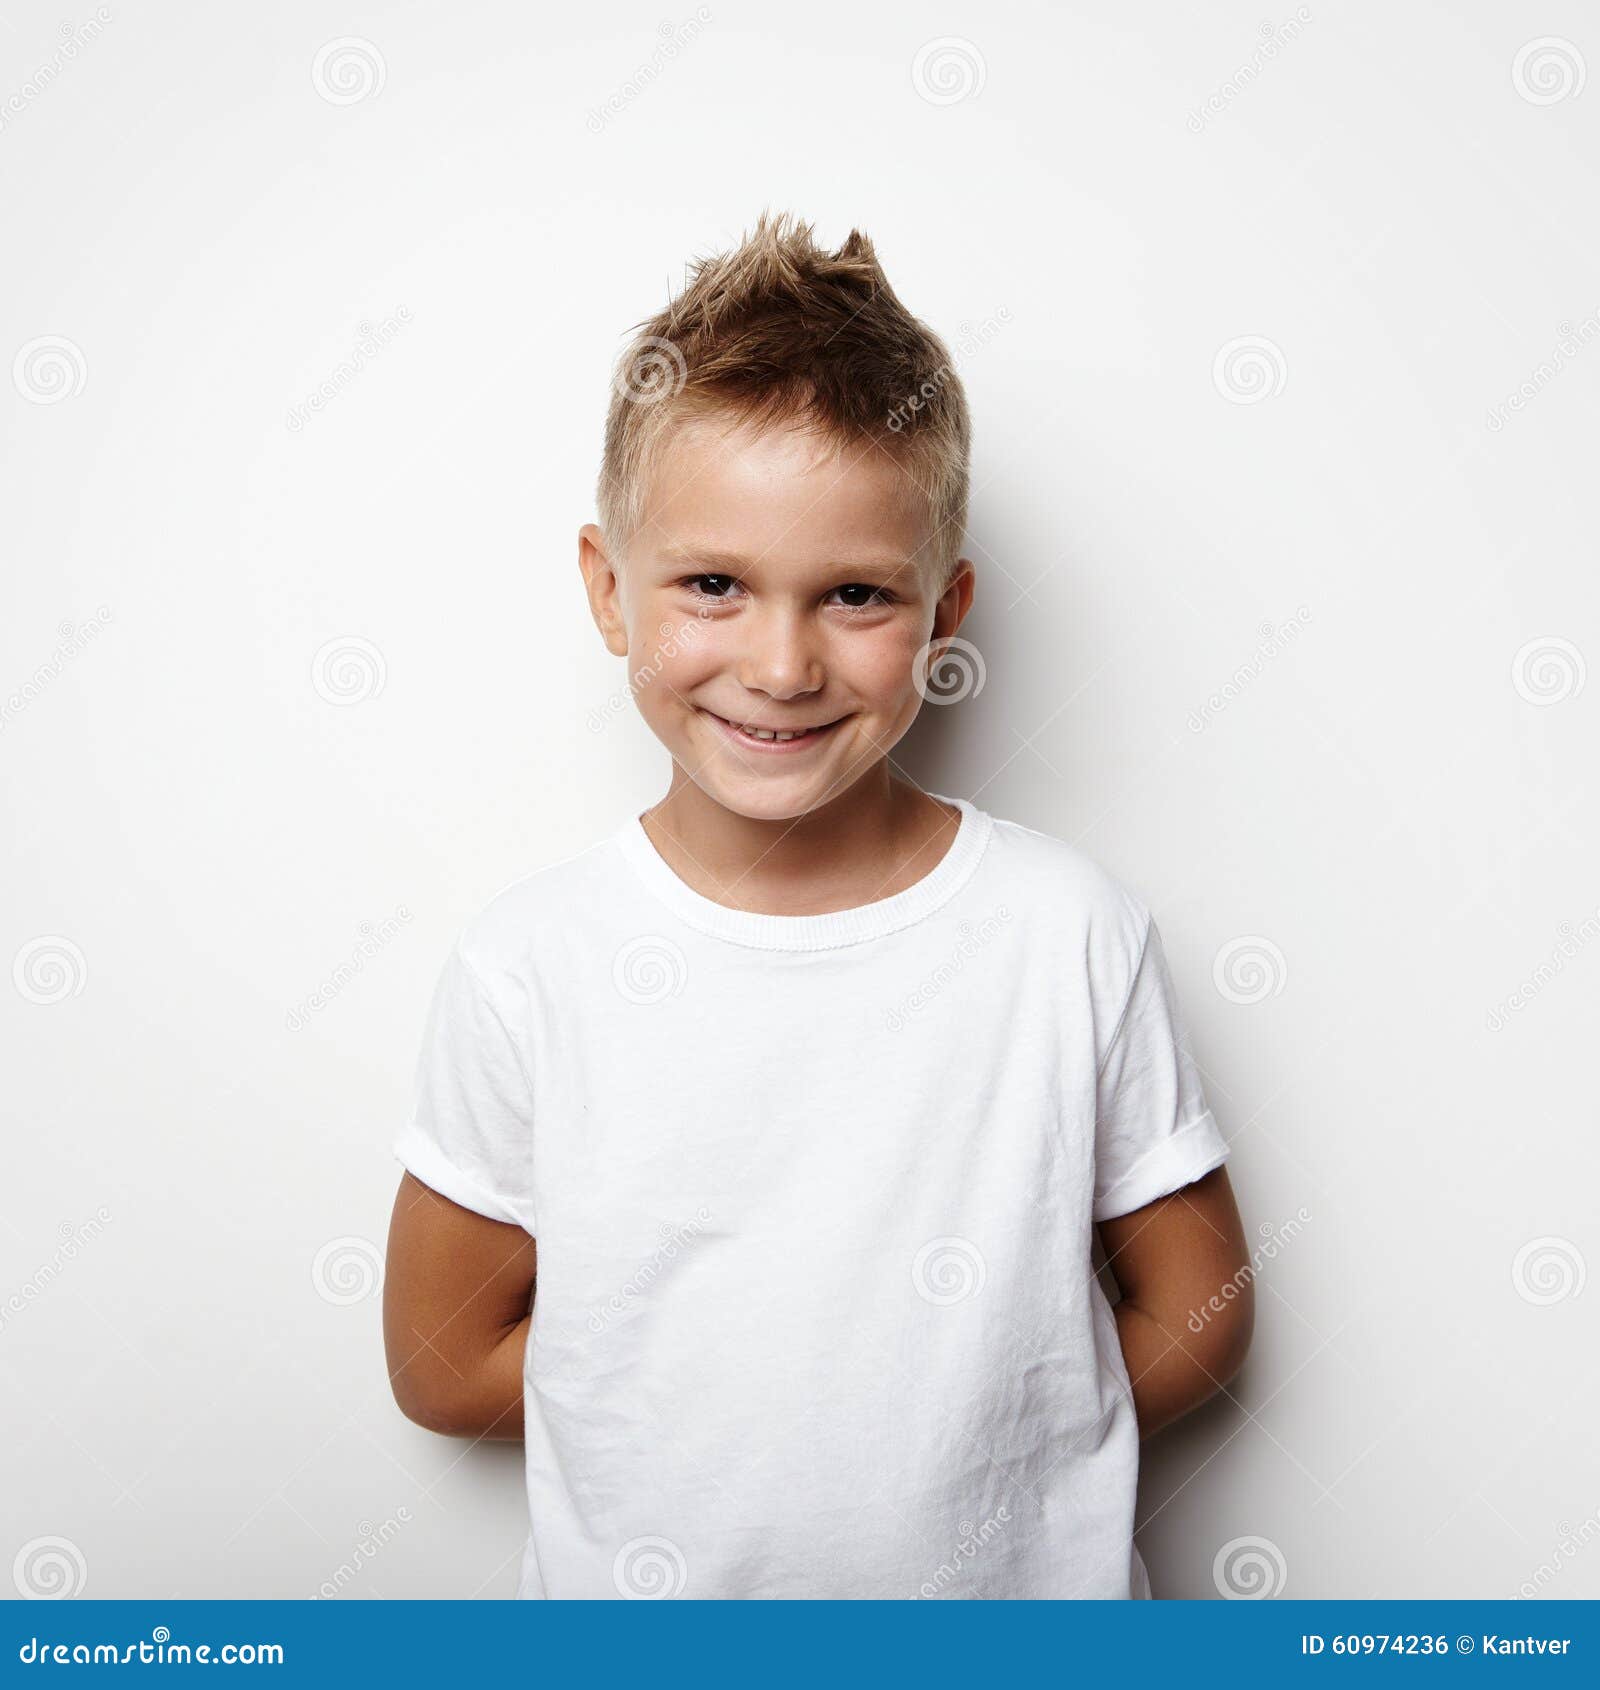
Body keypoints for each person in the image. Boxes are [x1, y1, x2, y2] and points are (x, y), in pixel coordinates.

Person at [382, 210, 1253, 1600]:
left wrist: (996, 1456)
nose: (781, 665)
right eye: (713, 585)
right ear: (612, 591)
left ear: (943, 609)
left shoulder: (1065, 931)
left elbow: (1201, 1310)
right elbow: (439, 1358)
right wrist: (729, 1451)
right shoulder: (529, 967)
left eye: (854, 593)